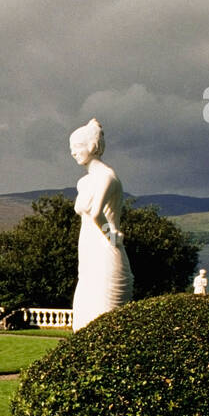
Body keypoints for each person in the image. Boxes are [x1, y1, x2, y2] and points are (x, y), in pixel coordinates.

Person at [69, 118, 133, 331]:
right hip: (88, 251)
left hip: (106, 251)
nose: (73, 152)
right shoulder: (84, 182)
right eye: (71, 148)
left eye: (77, 147)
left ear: (93, 146)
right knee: (82, 321)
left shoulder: (107, 177)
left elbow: (96, 213)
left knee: (105, 321)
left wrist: (112, 236)